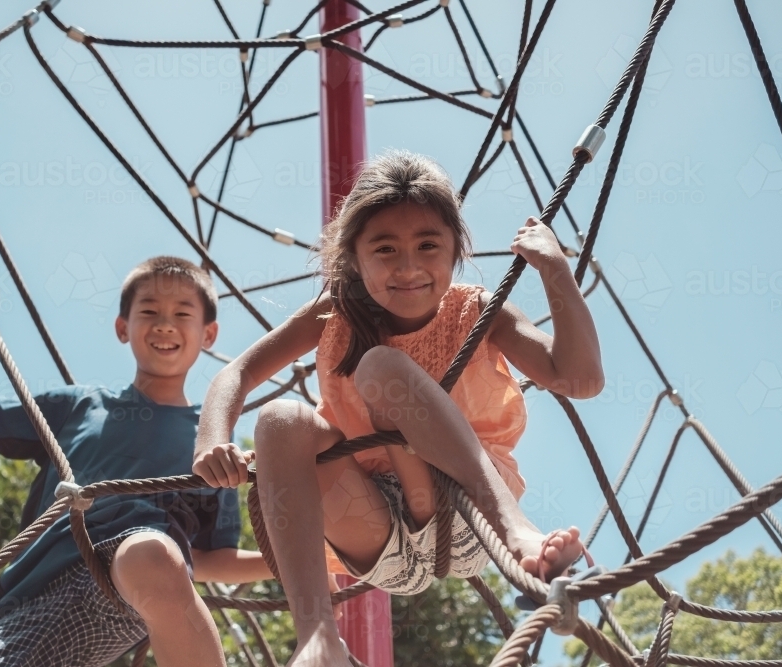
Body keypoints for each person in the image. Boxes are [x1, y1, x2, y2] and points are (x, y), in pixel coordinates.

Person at [193, 151, 605, 666]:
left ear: (456, 250)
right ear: (354, 259)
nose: (408, 266)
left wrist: (555, 271)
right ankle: (318, 639)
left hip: (469, 517)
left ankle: (520, 534)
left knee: (380, 369)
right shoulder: (333, 314)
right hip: (377, 536)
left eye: (428, 245)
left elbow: (581, 379)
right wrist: (212, 437)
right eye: (384, 249)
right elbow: (238, 373)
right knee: (280, 418)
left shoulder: (478, 311)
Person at [0, 255, 272, 667]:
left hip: (129, 583)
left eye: (182, 313)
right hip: (36, 588)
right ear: (122, 327)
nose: (165, 323)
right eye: (149, 311)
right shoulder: (79, 405)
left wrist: (286, 565)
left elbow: (207, 559)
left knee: (154, 556)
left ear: (209, 334)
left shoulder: (211, 446)